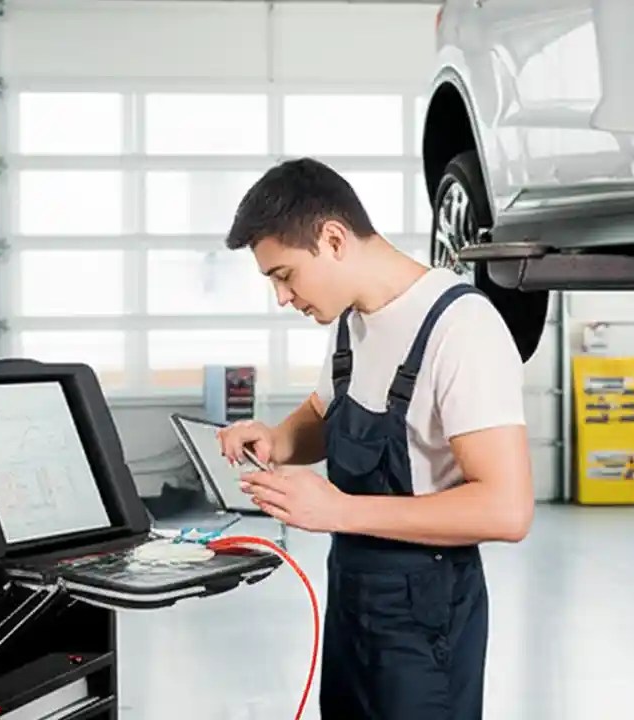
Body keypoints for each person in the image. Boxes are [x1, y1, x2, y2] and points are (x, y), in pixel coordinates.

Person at [215, 157, 534, 719]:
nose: (282, 298)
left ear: (333, 239)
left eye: (285, 275)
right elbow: (324, 410)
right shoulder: (350, 320)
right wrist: (276, 440)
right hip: (354, 600)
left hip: (425, 616)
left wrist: (339, 510)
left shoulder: (461, 328)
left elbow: (507, 509)